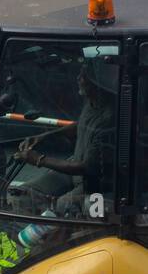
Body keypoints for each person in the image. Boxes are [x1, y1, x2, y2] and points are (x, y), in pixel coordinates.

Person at [17, 62, 118, 212]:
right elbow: (81, 125)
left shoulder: (109, 119)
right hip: (73, 171)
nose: (78, 78)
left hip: (94, 183)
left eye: (83, 76)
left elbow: (85, 167)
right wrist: (45, 136)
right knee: (23, 194)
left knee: (61, 207)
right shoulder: (92, 104)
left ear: (96, 82)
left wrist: (38, 159)